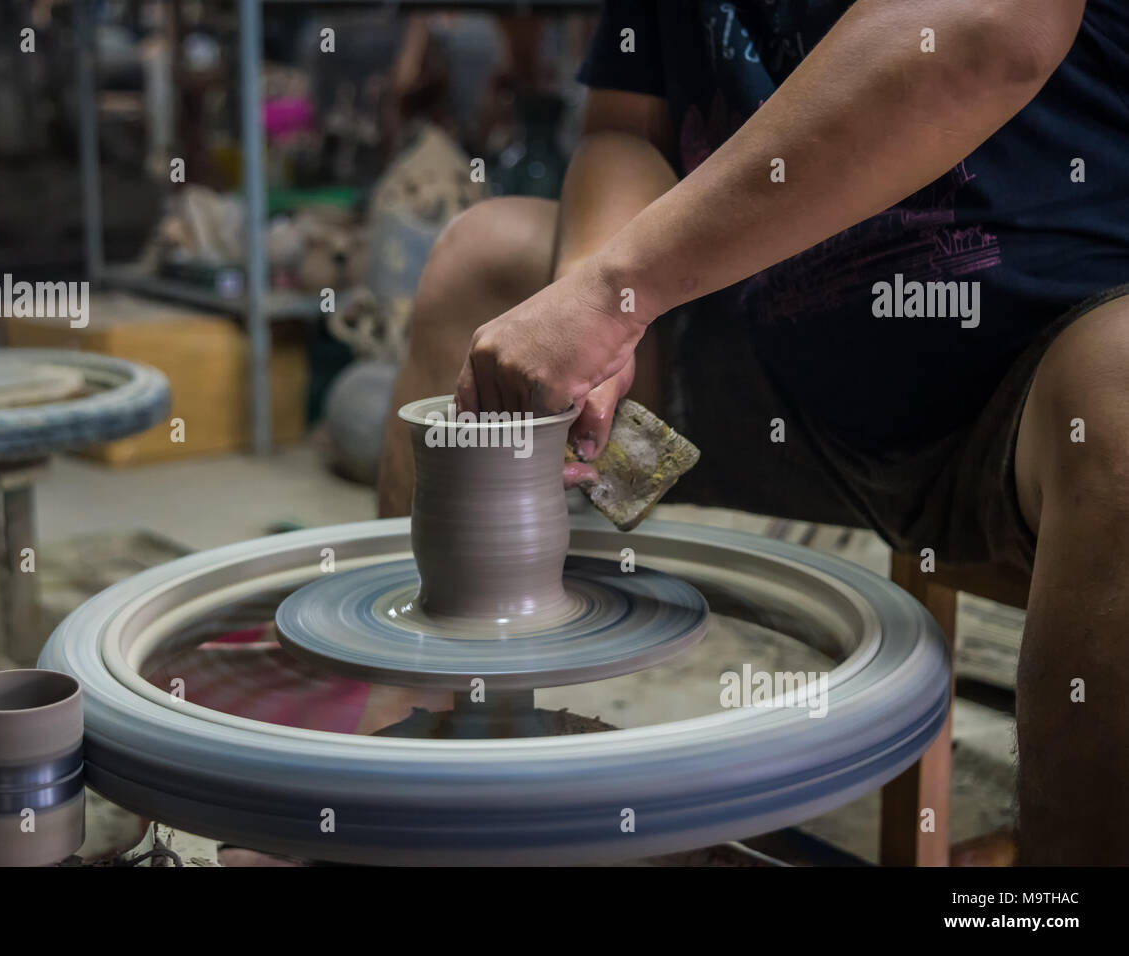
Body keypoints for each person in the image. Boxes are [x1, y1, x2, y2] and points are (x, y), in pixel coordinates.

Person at [378, 0, 1129, 865]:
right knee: (484, 260)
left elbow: (988, 30)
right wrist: (599, 304)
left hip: (1038, 358)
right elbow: (626, 130)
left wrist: (614, 291)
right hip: (781, 357)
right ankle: (397, 785)